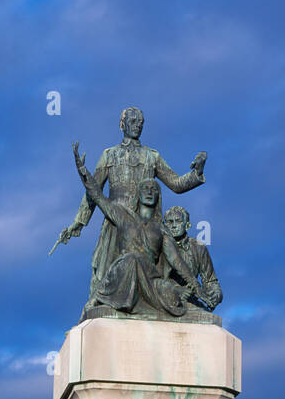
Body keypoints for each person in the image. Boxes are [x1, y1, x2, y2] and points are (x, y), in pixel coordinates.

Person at [57, 107, 206, 306]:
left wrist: (197, 173)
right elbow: (93, 192)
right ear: (122, 124)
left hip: (147, 225)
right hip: (115, 221)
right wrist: (79, 222)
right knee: (104, 277)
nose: (137, 126)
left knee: (151, 275)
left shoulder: (152, 156)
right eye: (133, 121)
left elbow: (176, 184)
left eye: (140, 123)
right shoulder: (109, 155)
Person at [72, 143, 199, 318]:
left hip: (150, 277)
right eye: (145, 189)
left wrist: (195, 286)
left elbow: (176, 260)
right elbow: (97, 194)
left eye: (153, 189)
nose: (149, 192)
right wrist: (83, 171)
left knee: (170, 293)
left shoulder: (161, 229)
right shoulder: (110, 155)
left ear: (158, 196)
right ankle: (96, 302)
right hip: (117, 227)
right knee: (119, 264)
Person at [162, 206, 223, 310]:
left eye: (178, 221)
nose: (173, 226)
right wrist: (175, 290)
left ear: (187, 225)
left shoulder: (198, 247)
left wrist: (216, 294)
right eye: (170, 222)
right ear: (164, 225)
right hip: (165, 299)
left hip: (192, 299)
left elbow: (210, 281)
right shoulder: (158, 245)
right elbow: (153, 279)